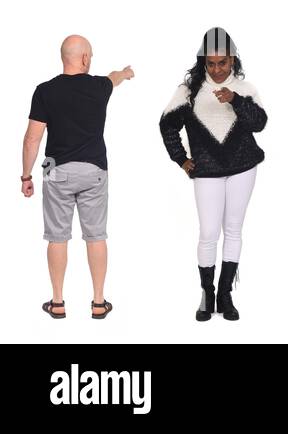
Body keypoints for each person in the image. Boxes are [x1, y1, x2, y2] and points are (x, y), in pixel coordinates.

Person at [160, 27, 268, 322]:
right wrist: (181, 159)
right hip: (206, 169)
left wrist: (235, 99)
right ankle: (206, 293)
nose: (217, 69)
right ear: (203, 62)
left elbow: (259, 123)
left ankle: (225, 293)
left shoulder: (246, 89)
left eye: (223, 63)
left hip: (243, 167)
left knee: (233, 229)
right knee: (208, 232)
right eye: (211, 63)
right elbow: (167, 125)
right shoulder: (189, 91)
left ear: (233, 60)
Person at [22, 35, 134, 319]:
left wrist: (26, 176)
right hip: (95, 169)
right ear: (85, 58)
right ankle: (98, 303)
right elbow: (113, 77)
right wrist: (125, 72)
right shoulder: (98, 87)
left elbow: (32, 139)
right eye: (91, 55)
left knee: (57, 238)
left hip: (54, 169)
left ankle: (57, 303)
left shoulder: (44, 91)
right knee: (96, 236)